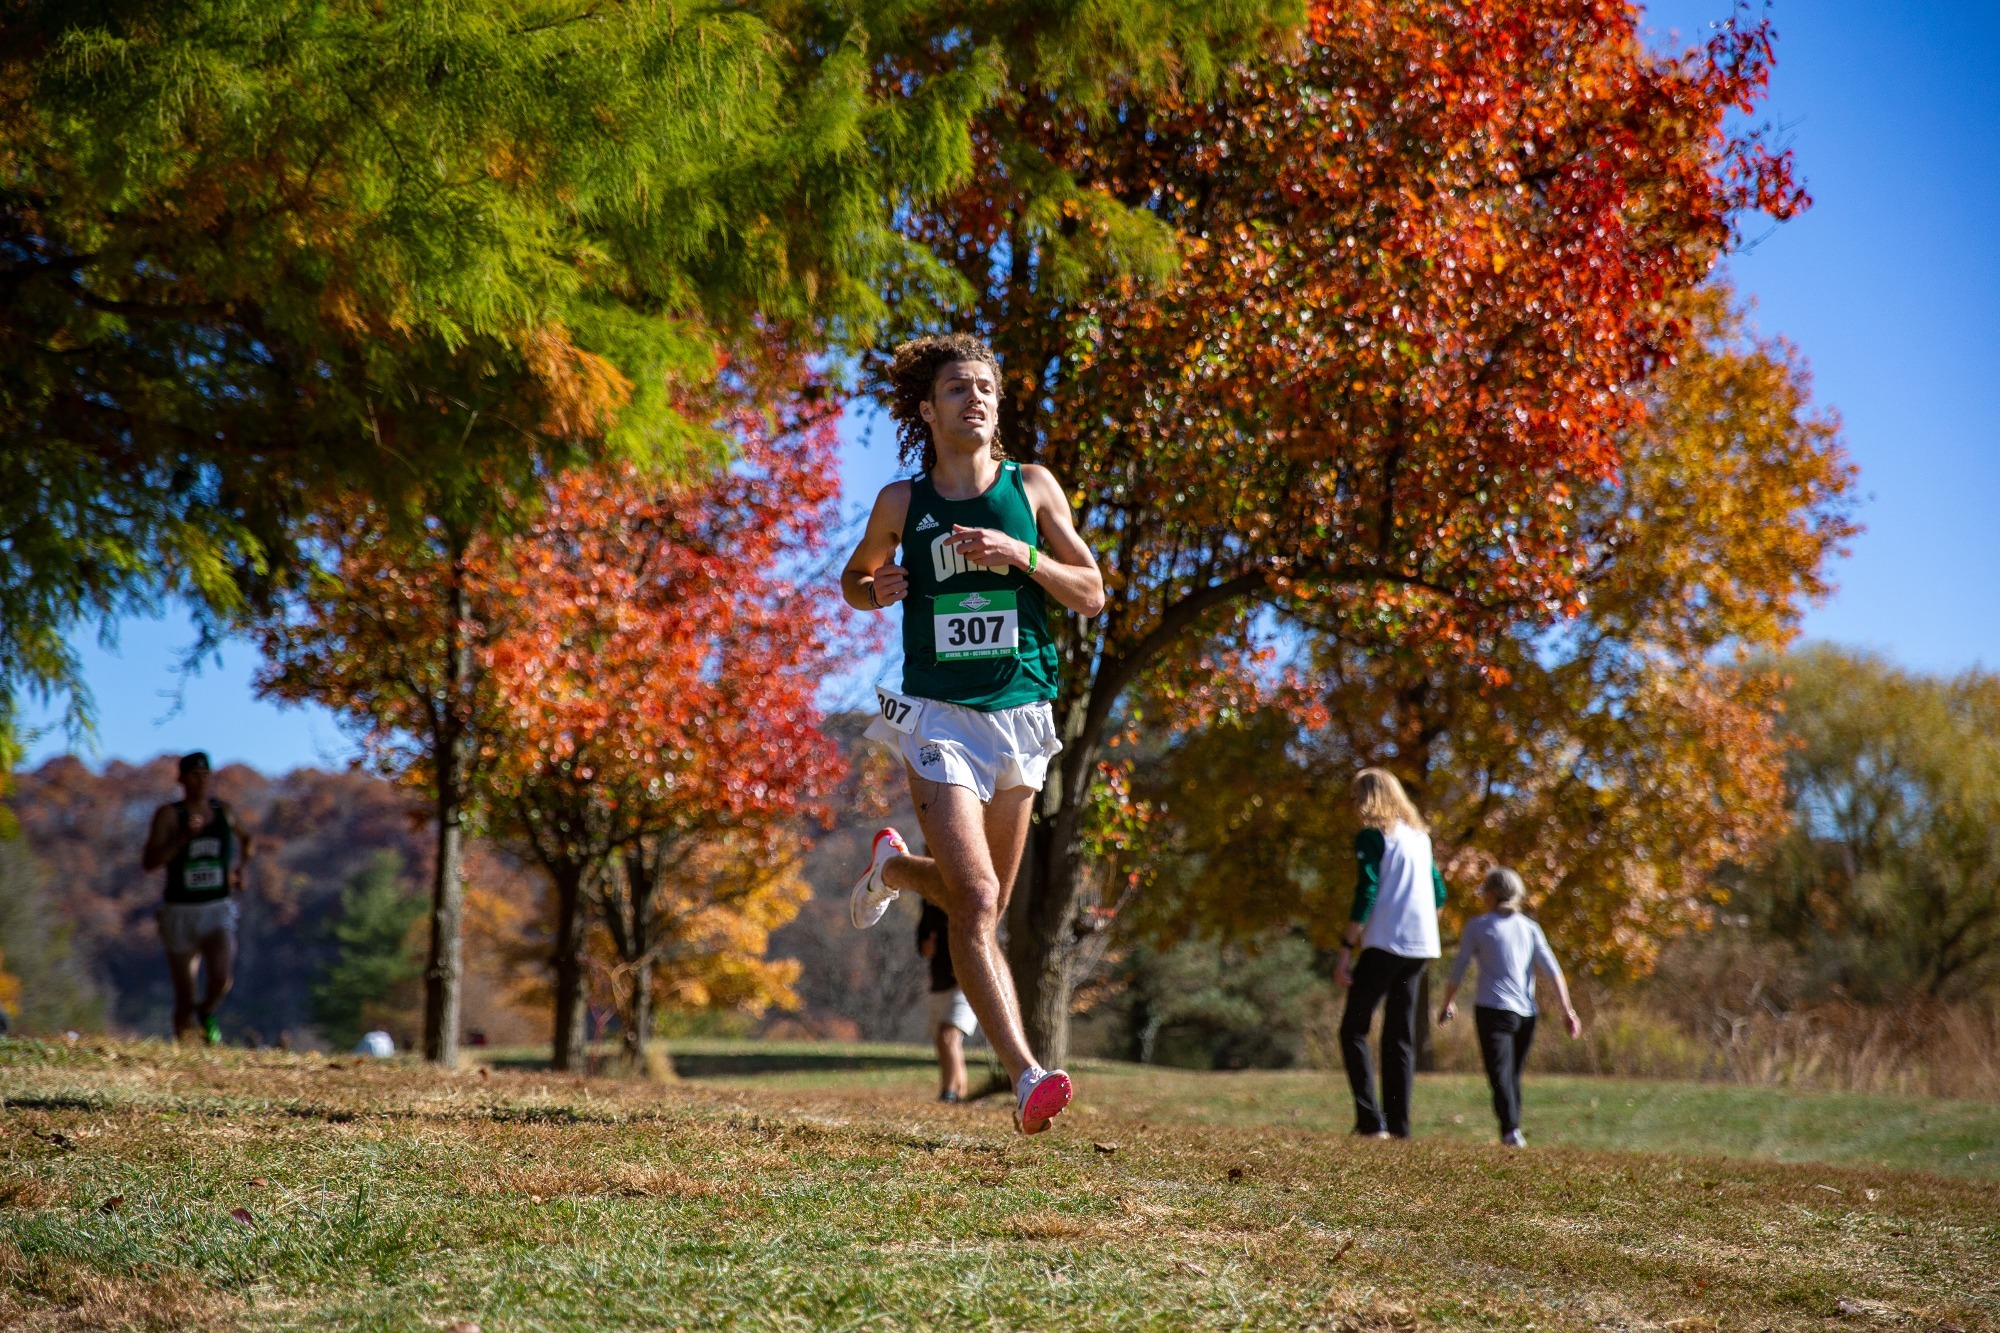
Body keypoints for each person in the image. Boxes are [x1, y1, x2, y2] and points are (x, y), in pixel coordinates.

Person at [840, 332, 1106, 1136]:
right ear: (928, 409)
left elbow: (1091, 591)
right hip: (937, 716)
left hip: (1020, 714)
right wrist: (876, 586)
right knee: (980, 896)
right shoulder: (901, 502)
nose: (976, 399)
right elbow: (853, 581)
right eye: (958, 389)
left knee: (976, 904)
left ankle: (893, 867)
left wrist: (1019, 552)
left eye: (986, 387)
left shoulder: (1031, 486)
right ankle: (1028, 1075)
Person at [1333, 767, 1446, 1139]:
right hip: (1420, 947)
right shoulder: (1419, 838)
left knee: (1353, 1029)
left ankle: (1370, 1121)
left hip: (1384, 944)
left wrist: (1347, 946)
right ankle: (1399, 1126)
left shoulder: (1372, 837)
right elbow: (1439, 894)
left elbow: (1367, 890)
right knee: (1400, 1036)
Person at [1438, 867, 1583, 1147]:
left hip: (1492, 1010)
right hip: (1526, 1014)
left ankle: (1511, 1131)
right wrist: (1568, 1010)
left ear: (1491, 895)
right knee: (1511, 1073)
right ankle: (1512, 1128)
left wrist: (1447, 1003)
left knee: (1500, 1073)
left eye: (1485, 894)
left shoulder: (1478, 927)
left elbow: (1457, 970)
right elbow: (1552, 970)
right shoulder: (1530, 928)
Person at [141, 752, 252, 1044]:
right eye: (193, 775)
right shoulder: (169, 815)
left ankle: (208, 1010)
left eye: (205, 775)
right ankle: (187, 1052)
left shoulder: (224, 811)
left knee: (221, 976)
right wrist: (183, 839)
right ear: (181, 779)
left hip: (217, 907)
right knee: (184, 994)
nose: (200, 781)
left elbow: (247, 838)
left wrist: (241, 869)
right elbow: (150, 862)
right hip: (180, 910)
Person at [916, 900, 979, 1102]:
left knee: (948, 1035)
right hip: (940, 982)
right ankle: (959, 1094)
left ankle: (948, 1094)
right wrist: (926, 946)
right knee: (946, 1042)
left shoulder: (966, 893)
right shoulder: (928, 899)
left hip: (965, 983)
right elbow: (923, 940)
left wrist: (968, 966)